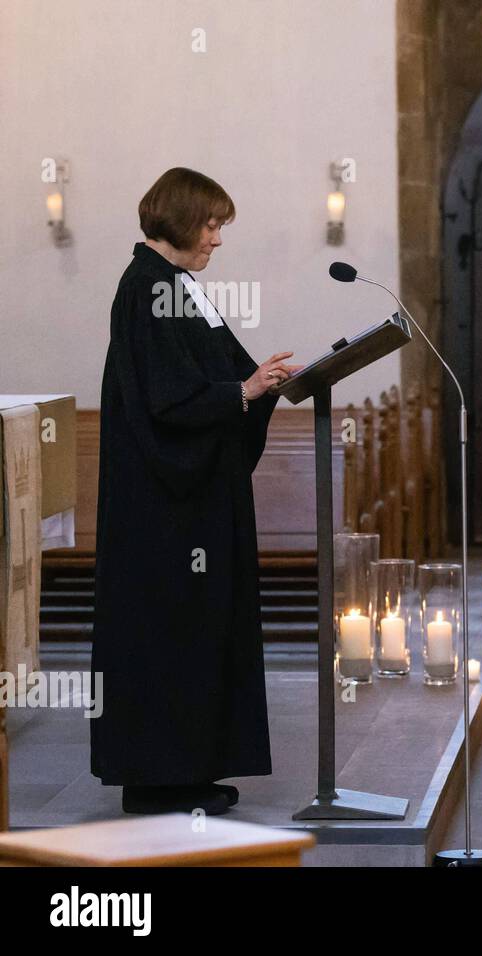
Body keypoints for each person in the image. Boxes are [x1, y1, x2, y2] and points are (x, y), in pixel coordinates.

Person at [90, 167, 301, 815]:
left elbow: (218, 374)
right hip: (164, 512)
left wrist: (259, 381)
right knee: (168, 634)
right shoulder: (148, 289)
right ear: (179, 219)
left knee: (191, 633)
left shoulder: (175, 287)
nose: (217, 239)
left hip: (189, 506)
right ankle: (158, 779)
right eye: (211, 224)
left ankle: (181, 771)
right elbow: (166, 398)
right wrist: (243, 391)